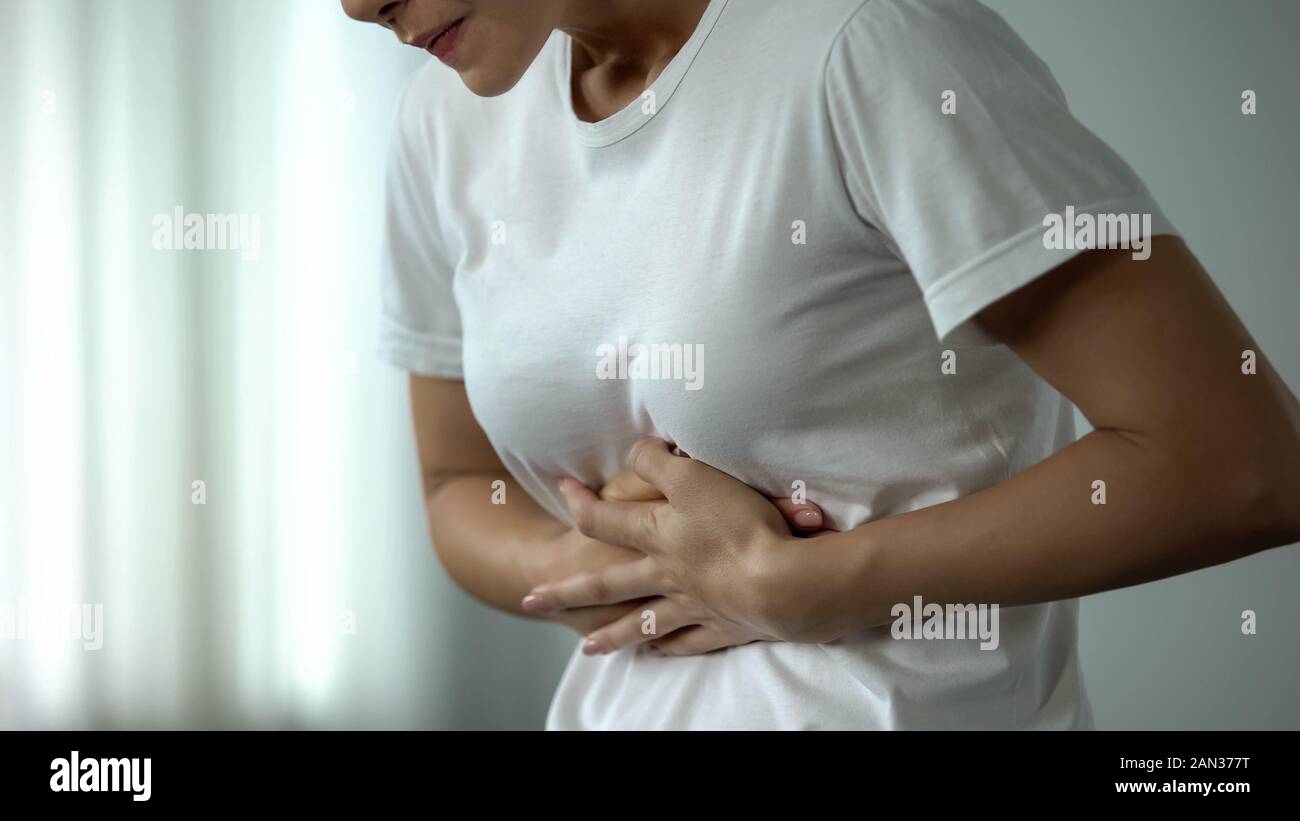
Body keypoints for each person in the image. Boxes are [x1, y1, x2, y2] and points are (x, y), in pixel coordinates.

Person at [342, 0, 1300, 729]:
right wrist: (594, 563)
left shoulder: (865, 39)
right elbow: (457, 483)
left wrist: (801, 583)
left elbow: (1239, 463)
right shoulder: (443, 129)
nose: (354, 5)